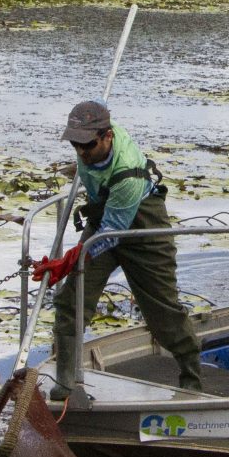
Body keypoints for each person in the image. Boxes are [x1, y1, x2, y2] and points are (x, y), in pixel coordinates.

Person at [32, 100, 203, 399]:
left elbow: (110, 235)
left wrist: (71, 259)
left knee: (162, 310)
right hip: (104, 216)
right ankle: (66, 382)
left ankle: (191, 377)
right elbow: (105, 225)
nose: (81, 152)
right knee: (72, 301)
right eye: (76, 144)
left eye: (88, 145)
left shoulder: (128, 172)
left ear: (108, 136)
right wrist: (74, 263)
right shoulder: (92, 144)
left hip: (143, 226)